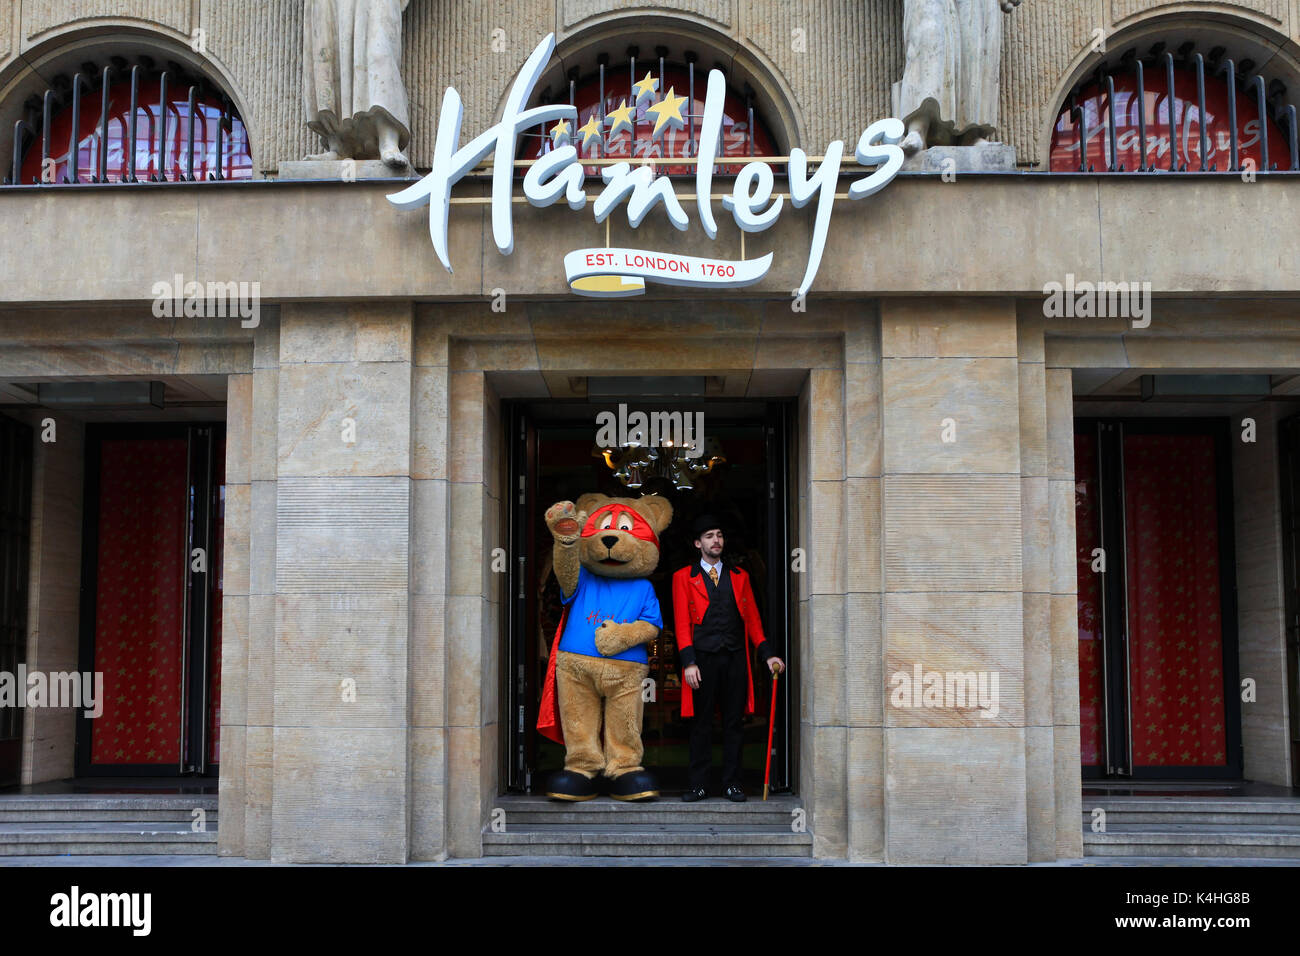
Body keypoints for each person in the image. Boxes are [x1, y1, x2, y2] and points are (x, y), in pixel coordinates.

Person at [671, 514, 783, 802]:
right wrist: (689, 662)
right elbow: (682, 622)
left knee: (734, 723)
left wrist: (767, 655)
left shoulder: (740, 577)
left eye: (719, 535)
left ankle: (732, 783)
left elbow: (753, 621)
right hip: (702, 660)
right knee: (701, 724)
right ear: (698, 544)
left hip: (734, 658)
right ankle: (699, 784)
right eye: (709, 536)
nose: (716, 540)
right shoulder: (682, 577)